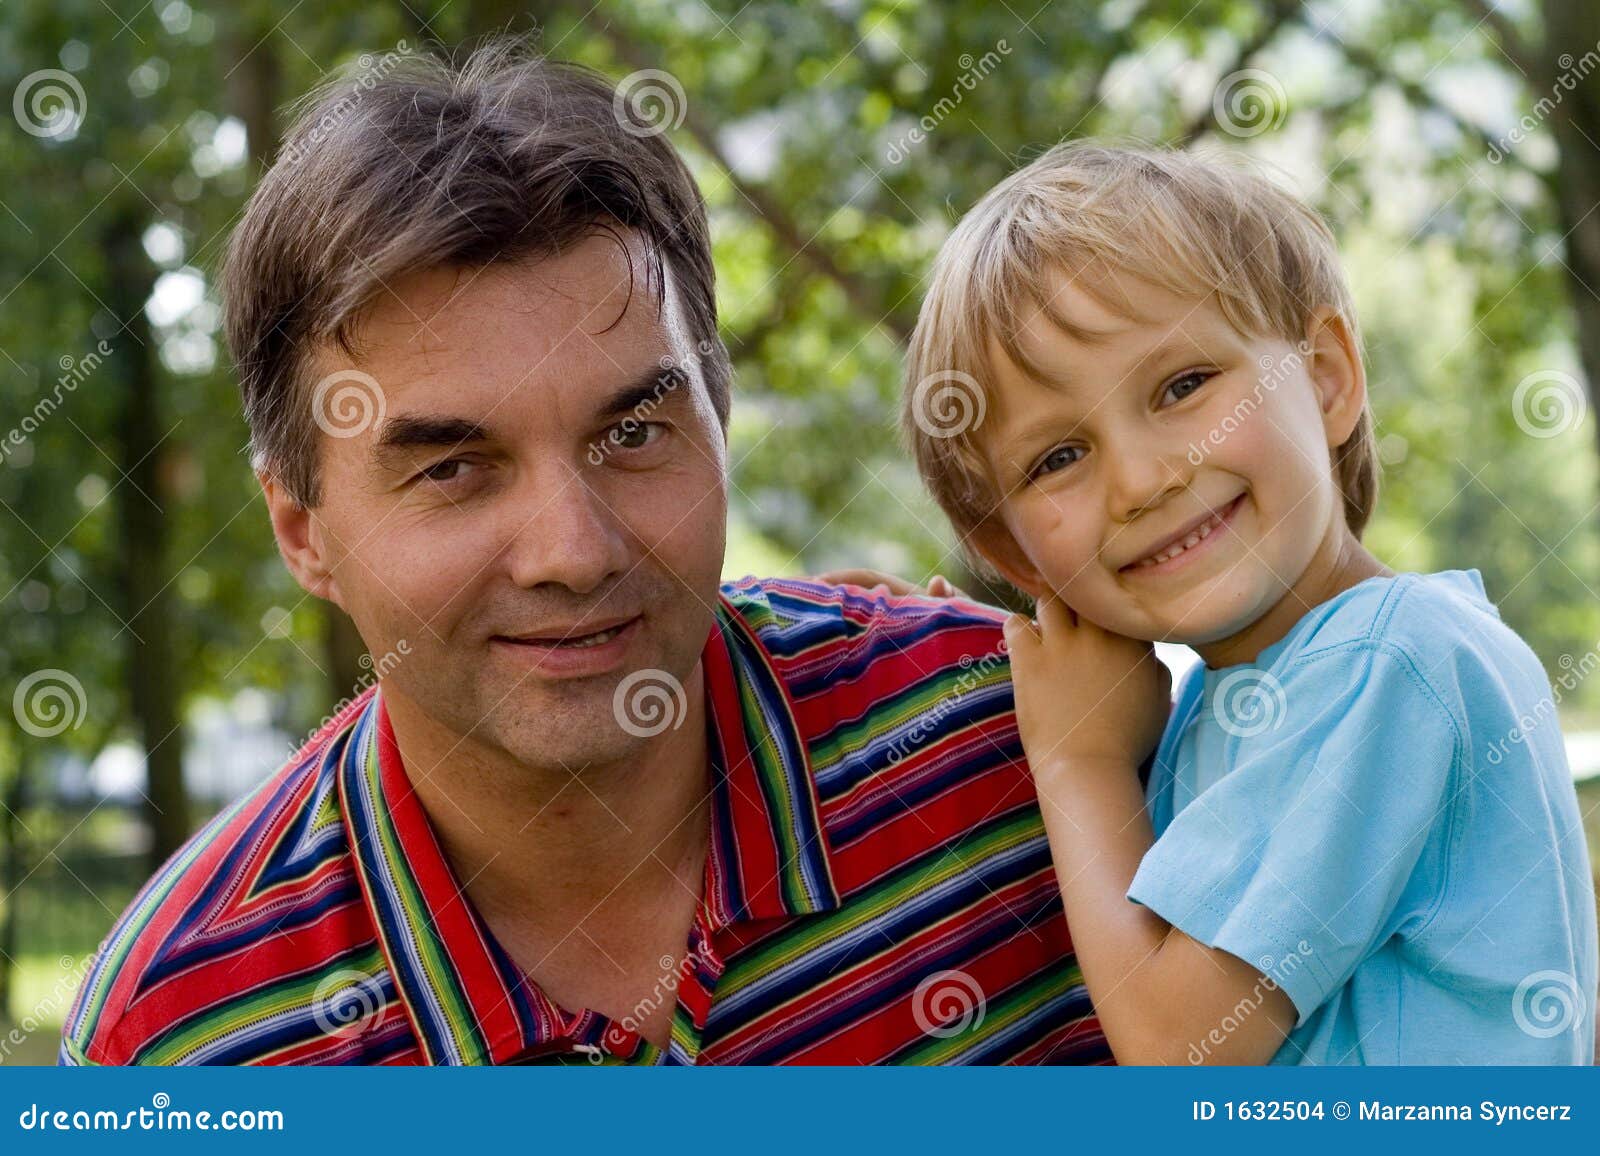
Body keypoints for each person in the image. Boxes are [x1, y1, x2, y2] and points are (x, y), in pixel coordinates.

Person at [58, 42, 1114, 1066]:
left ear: (719, 423)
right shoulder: (177, 1038)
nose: (572, 551)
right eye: (452, 469)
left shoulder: (1020, 753)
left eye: (633, 434)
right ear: (303, 531)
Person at [896, 141, 1597, 1064]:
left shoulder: (1385, 667)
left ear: (1327, 378)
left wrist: (1080, 763)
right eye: (1058, 457)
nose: (1143, 481)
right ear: (1011, 554)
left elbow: (1178, 1049)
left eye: (1184, 386)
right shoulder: (1242, 693)